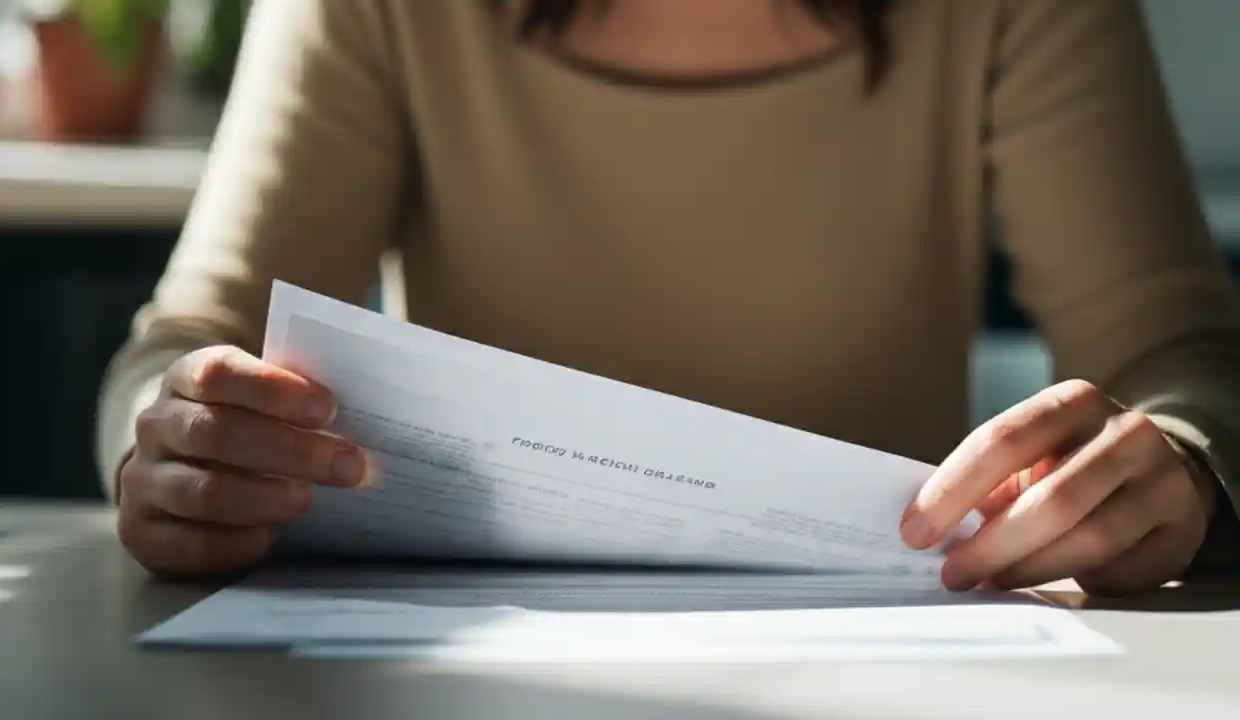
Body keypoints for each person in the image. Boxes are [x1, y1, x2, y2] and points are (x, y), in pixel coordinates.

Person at [101, 0, 1240, 591]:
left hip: (885, 660)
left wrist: (1182, 463)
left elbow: (1182, 359)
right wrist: (180, 445)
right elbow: (187, 347)